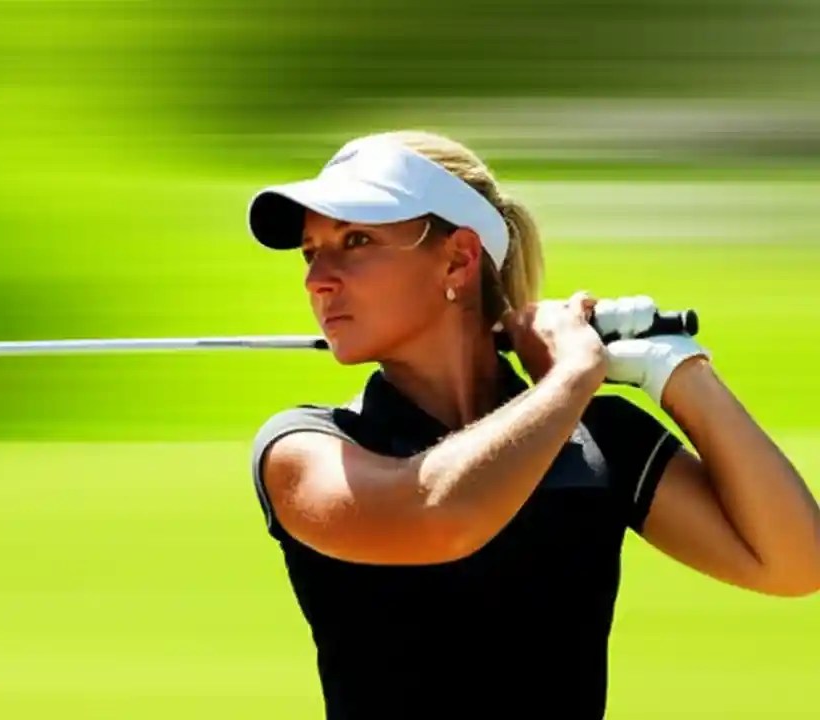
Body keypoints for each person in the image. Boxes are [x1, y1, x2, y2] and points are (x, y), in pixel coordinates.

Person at [244, 130, 820, 719]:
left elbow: (794, 562)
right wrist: (570, 375)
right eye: (312, 252)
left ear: (458, 259)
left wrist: (676, 368)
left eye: (356, 240)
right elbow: (442, 517)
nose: (318, 279)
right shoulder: (308, 445)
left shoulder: (598, 437)